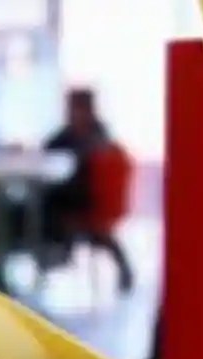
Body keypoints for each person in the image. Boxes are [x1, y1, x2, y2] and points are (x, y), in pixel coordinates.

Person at [42, 89, 134, 292]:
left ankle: (60, 251)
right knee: (47, 201)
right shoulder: (72, 133)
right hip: (75, 196)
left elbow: (80, 163)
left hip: (90, 199)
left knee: (50, 206)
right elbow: (49, 148)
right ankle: (59, 251)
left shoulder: (96, 137)